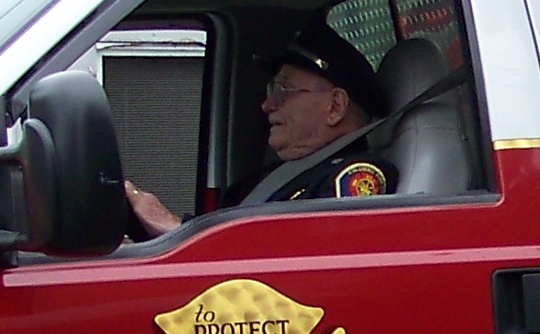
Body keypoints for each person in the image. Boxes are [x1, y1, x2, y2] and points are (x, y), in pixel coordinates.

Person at [127, 19, 393, 237]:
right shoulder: (276, 176)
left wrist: (172, 228)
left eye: (282, 91)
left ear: (335, 106)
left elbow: (305, 266)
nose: (267, 105)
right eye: (271, 89)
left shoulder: (353, 177)